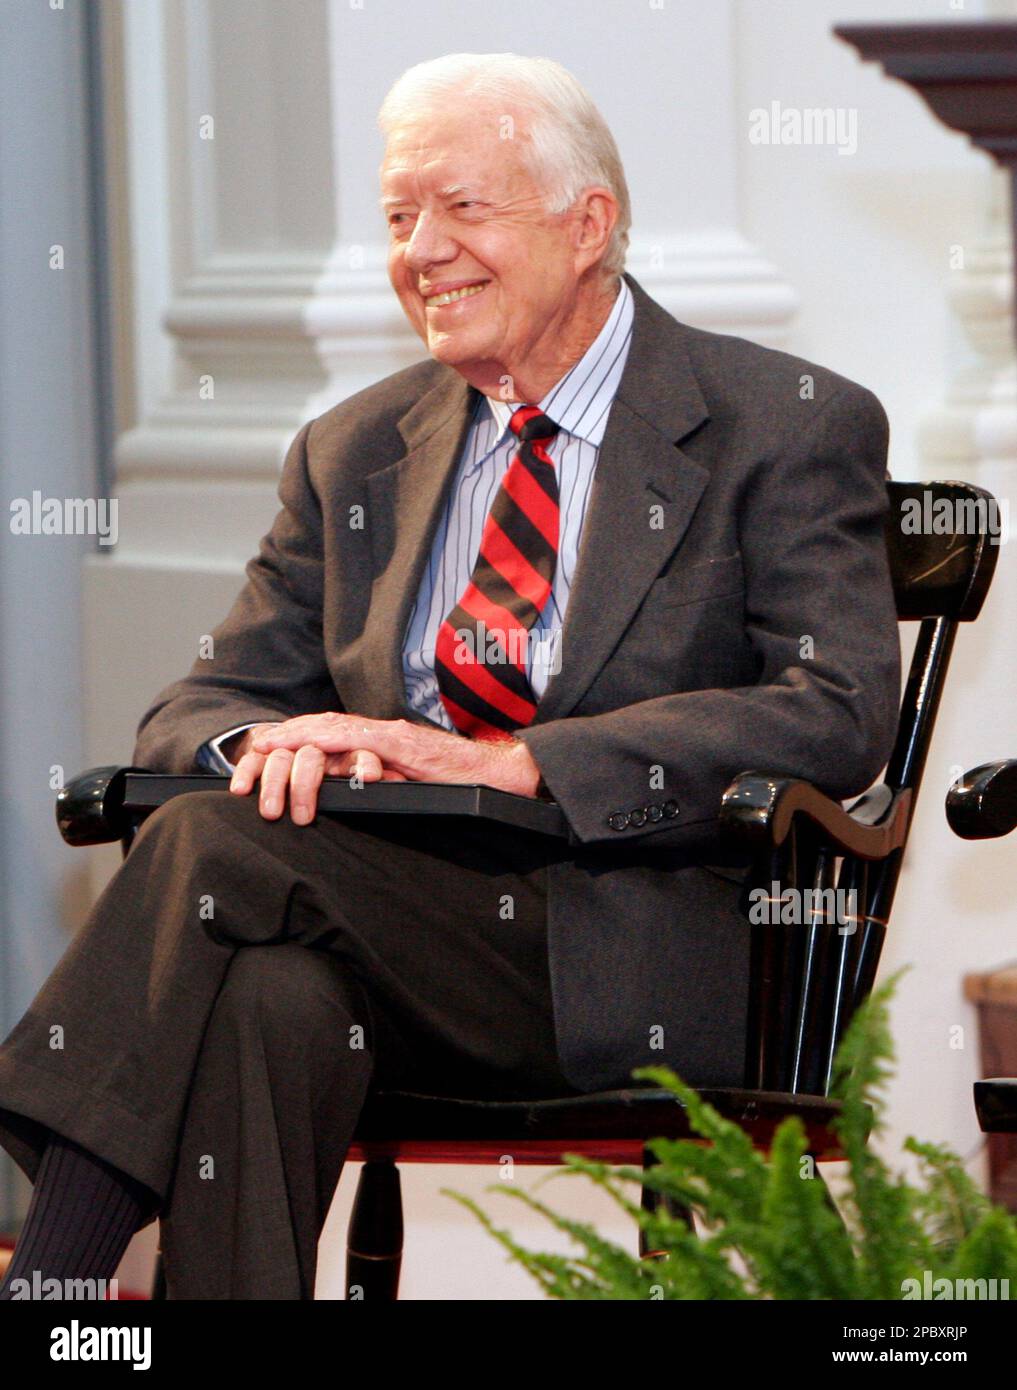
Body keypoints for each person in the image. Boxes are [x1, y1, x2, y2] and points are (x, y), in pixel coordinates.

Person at [0, 52, 900, 1300]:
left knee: (217, 851)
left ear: (589, 226)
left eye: (463, 208)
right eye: (397, 216)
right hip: (371, 928)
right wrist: (263, 749)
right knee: (270, 994)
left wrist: (521, 760)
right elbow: (198, 703)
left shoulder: (782, 422)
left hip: (619, 949)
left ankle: (45, 1291)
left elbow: (838, 705)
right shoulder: (358, 449)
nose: (422, 248)